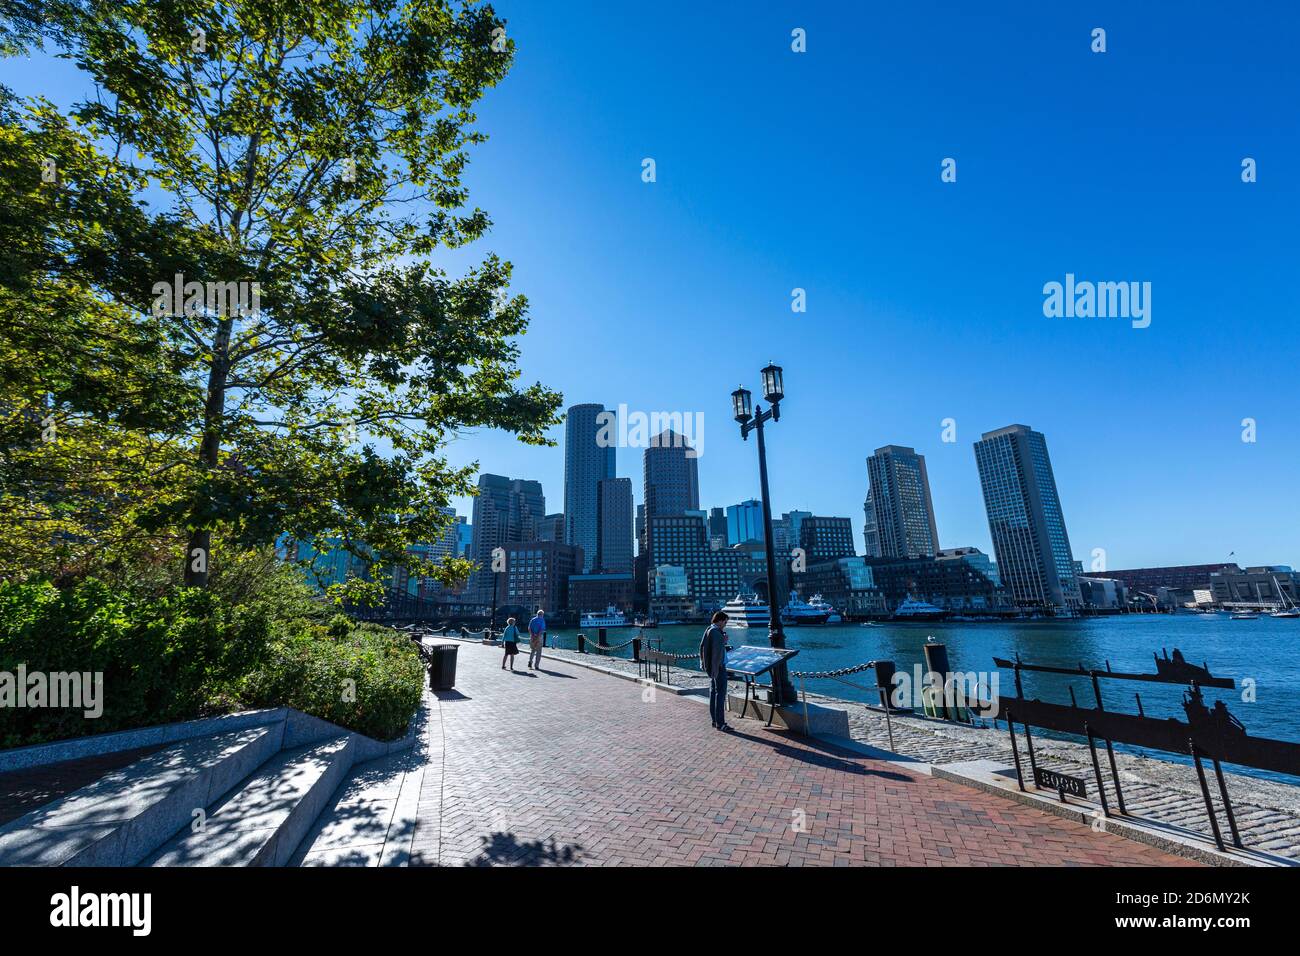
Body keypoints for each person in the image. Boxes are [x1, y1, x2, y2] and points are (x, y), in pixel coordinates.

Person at [699, 610, 731, 731]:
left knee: (713, 693)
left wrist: (704, 664)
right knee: (720, 695)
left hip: (712, 668)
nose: (725, 625)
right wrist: (724, 641)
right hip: (719, 668)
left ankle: (714, 720)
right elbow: (717, 652)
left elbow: (701, 647)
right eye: (725, 622)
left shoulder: (708, 630)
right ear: (721, 620)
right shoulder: (717, 633)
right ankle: (721, 723)